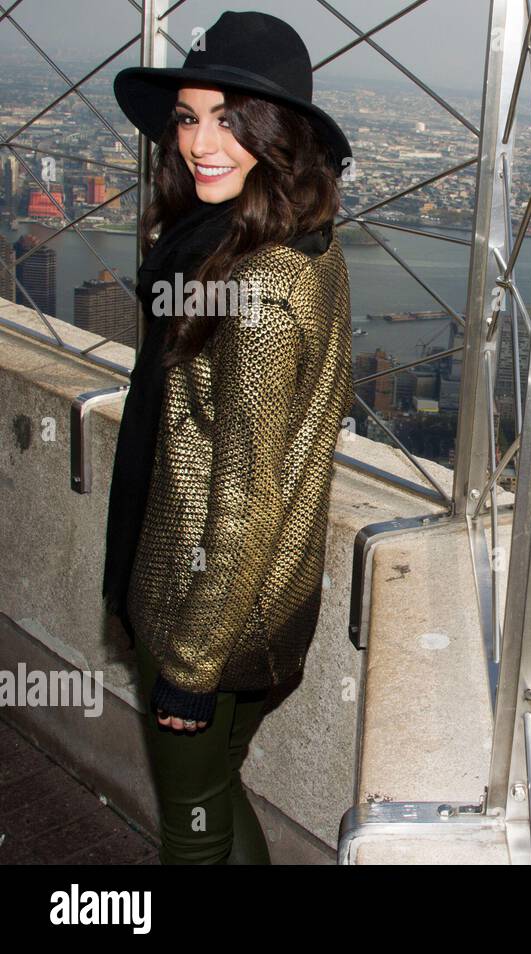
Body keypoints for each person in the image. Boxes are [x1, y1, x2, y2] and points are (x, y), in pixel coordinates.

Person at [103, 10, 354, 864]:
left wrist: (190, 666)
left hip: (205, 610)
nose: (200, 143)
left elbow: (244, 499)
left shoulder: (255, 291)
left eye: (231, 119)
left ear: (278, 136)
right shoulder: (301, 242)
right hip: (271, 606)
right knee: (214, 790)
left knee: (192, 833)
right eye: (187, 117)